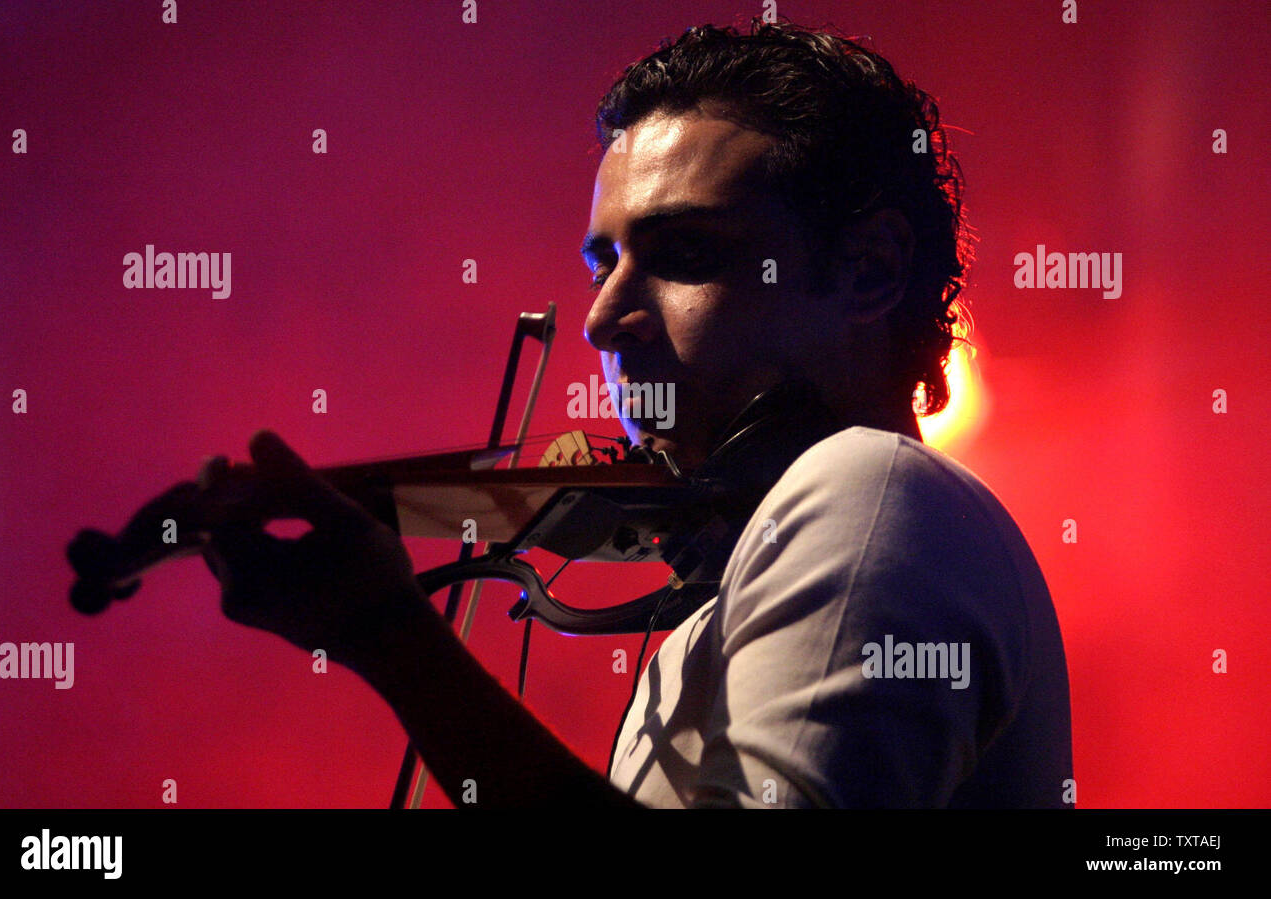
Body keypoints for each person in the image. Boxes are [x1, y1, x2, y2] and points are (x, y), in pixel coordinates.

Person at [190, 21, 1074, 808]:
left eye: (685, 253)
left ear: (870, 269)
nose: (601, 317)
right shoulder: (713, 615)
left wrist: (392, 640)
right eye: (600, 265)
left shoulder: (871, 489)